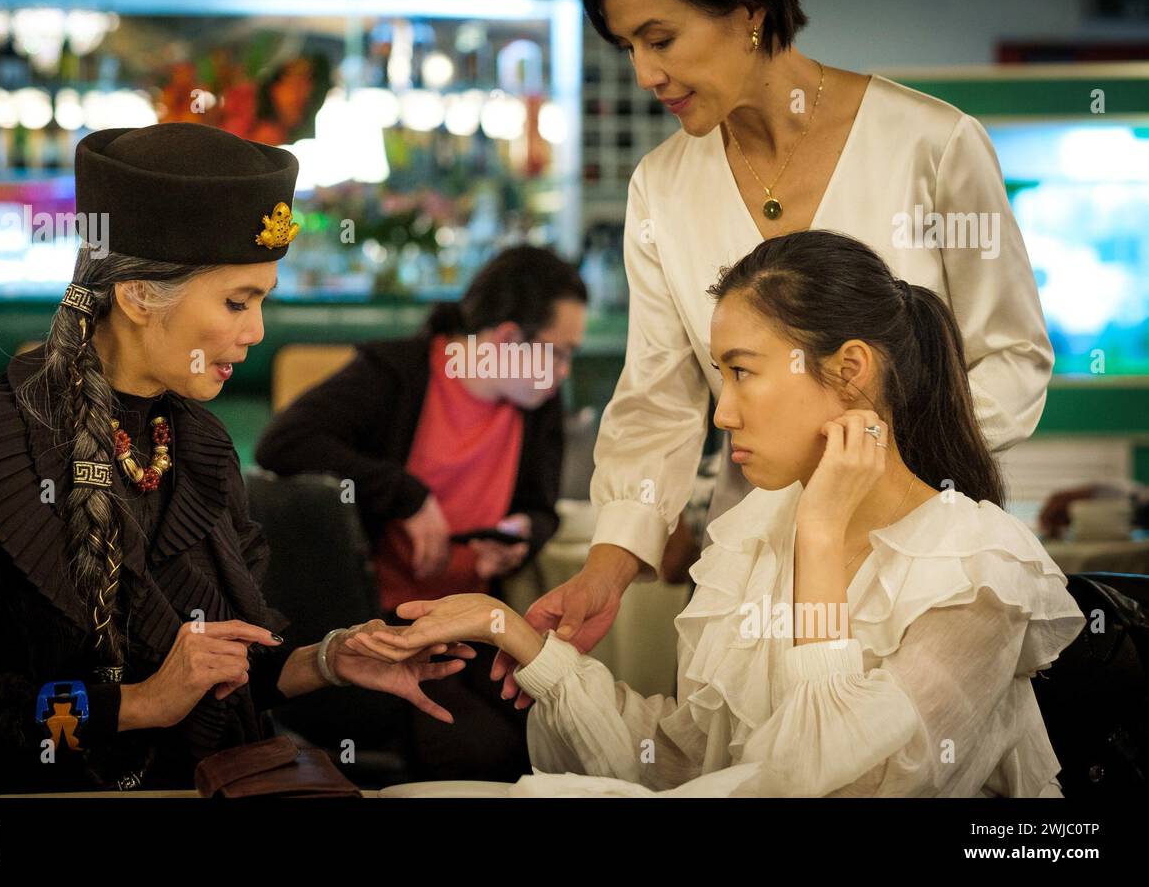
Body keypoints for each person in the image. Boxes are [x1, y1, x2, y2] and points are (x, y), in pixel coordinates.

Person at [492, 0, 1056, 707]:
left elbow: (1014, 356)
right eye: (627, 46)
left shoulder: (931, 145)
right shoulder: (662, 186)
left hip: (921, 551)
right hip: (749, 567)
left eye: (661, 39)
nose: (645, 74)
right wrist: (610, 567)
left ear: (751, 11)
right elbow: (660, 397)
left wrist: (879, 476)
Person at [0, 122, 473, 795]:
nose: (256, 331)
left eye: (262, 299)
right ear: (139, 294)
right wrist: (140, 703)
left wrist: (333, 659)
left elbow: (229, 677)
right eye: (237, 301)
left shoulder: (201, 444)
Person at [362, 231, 1084, 797]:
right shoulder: (754, 536)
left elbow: (837, 786)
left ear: (851, 371)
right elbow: (680, 761)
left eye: (742, 371)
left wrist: (822, 536)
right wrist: (510, 631)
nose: (723, 411)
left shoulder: (979, 570)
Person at [255, 245, 587, 780]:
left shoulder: (536, 402)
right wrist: (407, 495)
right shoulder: (397, 373)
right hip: (380, 626)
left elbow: (540, 509)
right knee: (482, 753)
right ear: (506, 341)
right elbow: (283, 442)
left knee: (556, 732)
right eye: (561, 352)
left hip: (476, 620)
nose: (564, 371)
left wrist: (523, 534)